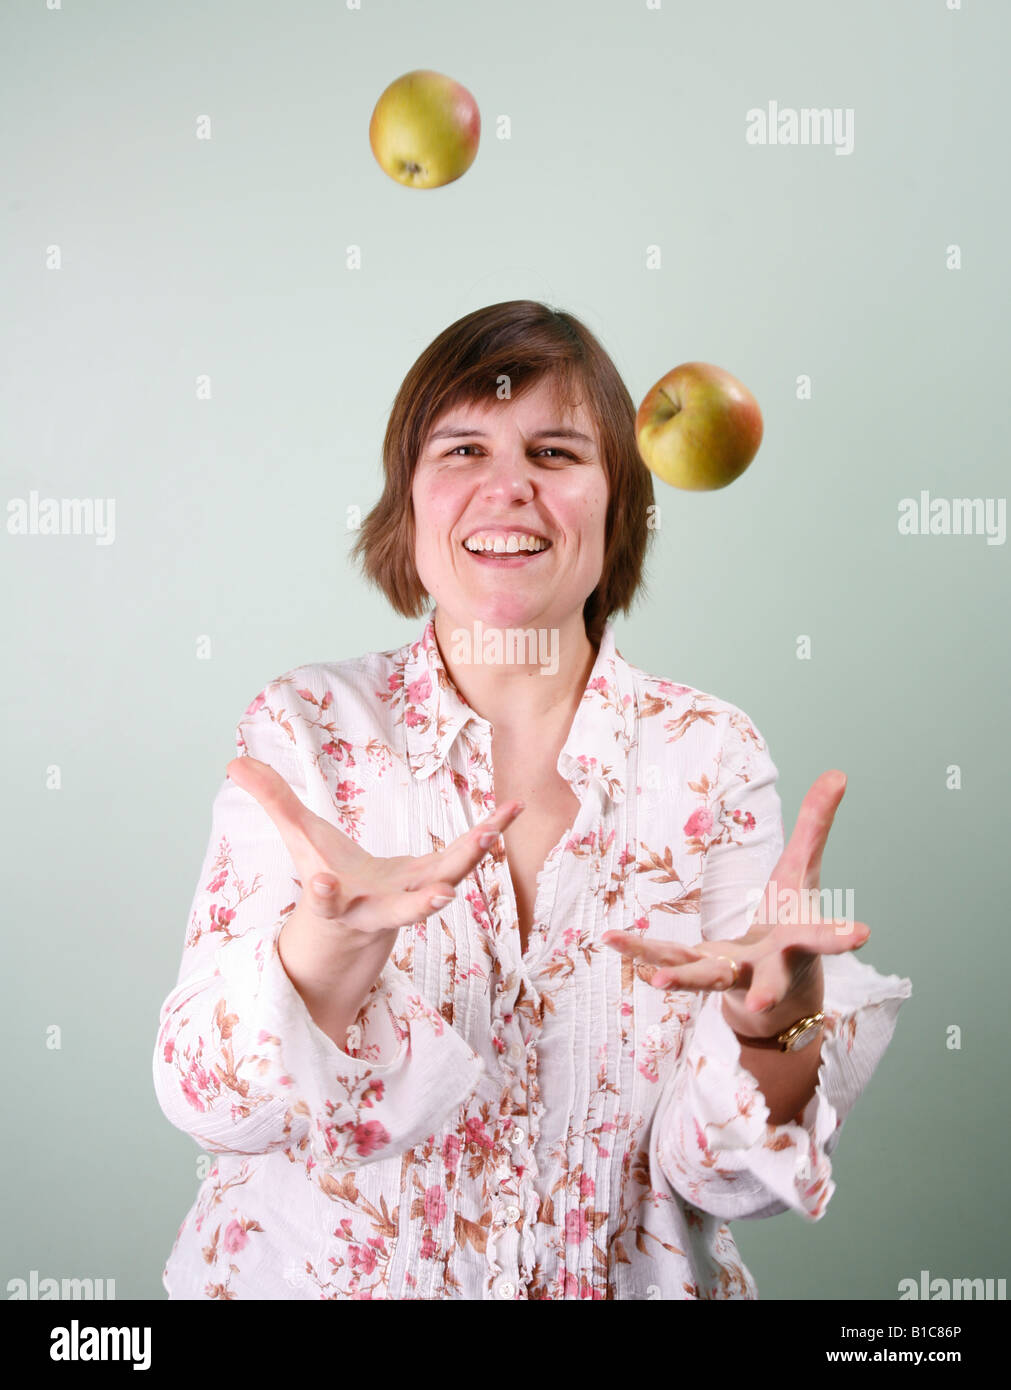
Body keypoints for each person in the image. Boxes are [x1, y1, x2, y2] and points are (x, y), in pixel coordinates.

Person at [153, 300, 911, 1300]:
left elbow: (719, 1180)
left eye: (555, 454)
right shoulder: (307, 728)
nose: (507, 487)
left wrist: (776, 1031)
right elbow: (212, 1104)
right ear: (407, 502)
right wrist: (328, 943)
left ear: (619, 507)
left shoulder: (709, 754)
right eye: (462, 448)